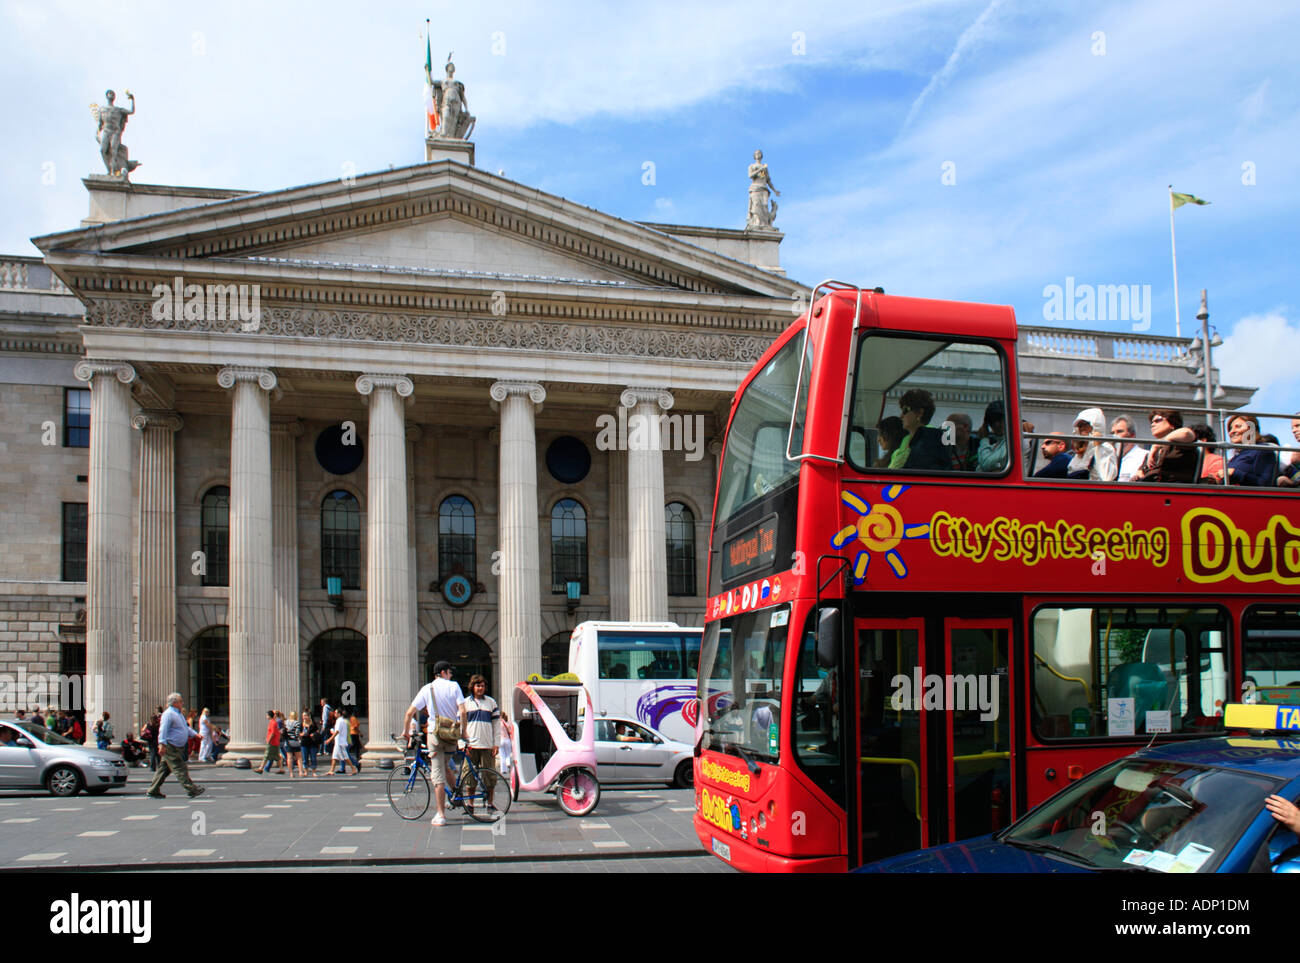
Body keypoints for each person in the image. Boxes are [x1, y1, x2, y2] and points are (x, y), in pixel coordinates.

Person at [402, 660, 465, 826]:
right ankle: (456, 794)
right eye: (449, 672)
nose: (451, 675)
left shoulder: (427, 689)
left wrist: (406, 732)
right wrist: (463, 731)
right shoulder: (454, 686)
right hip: (451, 735)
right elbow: (463, 711)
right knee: (446, 765)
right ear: (443, 672)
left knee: (437, 774)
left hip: (435, 735)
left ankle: (441, 814)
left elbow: (409, 713)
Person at [146, 692, 206, 799]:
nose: (182, 703)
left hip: (176, 746)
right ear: (174, 703)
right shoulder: (168, 714)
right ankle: (191, 789)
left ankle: (153, 789)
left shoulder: (178, 714)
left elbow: (185, 728)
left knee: (163, 769)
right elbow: (163, 730)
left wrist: (195, 734)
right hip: (170, 746)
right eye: (180, 701)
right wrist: (162, 744)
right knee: (180, 767)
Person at [459, 674, 502, 808]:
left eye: (482, 686)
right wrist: (461, 743)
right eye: (478, 686)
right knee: (469, 776)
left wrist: (496, 743)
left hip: (487, 745)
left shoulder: (491, 702)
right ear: (473, 687)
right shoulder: (465, 703)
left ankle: (490, 803)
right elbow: (460, 724)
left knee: (489, 775)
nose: (480, 688)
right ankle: (470, 804)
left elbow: (496, 725)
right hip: (471, 745)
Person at [890, 389, 949, 470]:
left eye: (905, 410)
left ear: (919, 413)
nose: (901, 416)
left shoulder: (930, 439)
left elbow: (915, 471)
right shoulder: (907, 439)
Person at [1210, 414, 1276, 486]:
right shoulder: (1237, 456)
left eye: (1238, 426)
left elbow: (1264, 483)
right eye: (1230, 429)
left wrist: (1233, 473)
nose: (1231, 432)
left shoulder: (1263, 450)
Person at [1133, 410, 1197, 483]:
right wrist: (1137, 476)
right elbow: (1140, 473)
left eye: (1157, 420)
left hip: (1171, 488)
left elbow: (1186, 433)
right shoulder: (1152, 451)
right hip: (1149, 487)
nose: (1152, 424)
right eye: (1152, 422)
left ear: (1172, 423)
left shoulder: (1180, 444)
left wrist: (1158, 443)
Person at [1065, 408, 1117, 481]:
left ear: (1095, 425)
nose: (1082, 428)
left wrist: (1098, 447)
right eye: (1080, 425)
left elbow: (1107, 477)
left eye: (1086, 424)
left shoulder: (1105, 447)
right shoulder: (1080, 451)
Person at [1110, 415, 1148, 482]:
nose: (1114, 436)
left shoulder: (1145, 456)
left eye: (1119, 431)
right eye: (1112, 433)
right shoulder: (1109, 457)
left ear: (1132, 435)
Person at [325, 707, 358, 776]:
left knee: (345, 757)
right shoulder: (342, 721)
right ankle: (331, 770)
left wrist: (329, 739)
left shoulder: (339, 721)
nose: (335, 714)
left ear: (339, 714)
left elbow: (337, 731)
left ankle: (353, 769)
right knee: (335, 756)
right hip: (339, 741)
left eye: (336, 713)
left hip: (340, 742)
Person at [254, 709, 282, 774]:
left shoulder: (272, 722)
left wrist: (268, 740)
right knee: (277, 756)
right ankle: (281, 769)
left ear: (270, 715)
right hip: (275, 742)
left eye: (267, 715)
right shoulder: (273, 722)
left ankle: (261, 768)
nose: (266, 716)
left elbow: (272, 733)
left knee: (266, 755)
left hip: (272, 742)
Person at [142, 705, 162, 770]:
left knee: (152, 754)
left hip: (151, 741)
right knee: (158, 755)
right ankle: (159, 766)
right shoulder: (158, 725)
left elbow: (142, 730)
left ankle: (152, 767)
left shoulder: (148, 725)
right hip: (157, 740)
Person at [285, 710, 304, 777]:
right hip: (295, 741)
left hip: (288, 742)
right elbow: (297, 733)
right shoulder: (297, 723)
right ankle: (300, 772)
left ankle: (291, 773)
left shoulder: (286, 722)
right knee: (299, 757)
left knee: (289, 757)